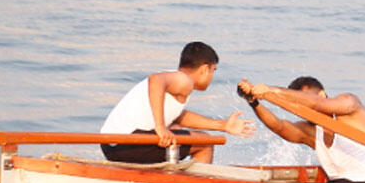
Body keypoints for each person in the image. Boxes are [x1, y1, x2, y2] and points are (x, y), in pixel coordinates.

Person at [100, 41, 254, 164]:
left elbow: (179, 116)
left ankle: (167, 178)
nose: (212, 76)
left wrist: (223, 126)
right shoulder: (183, 80)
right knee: (205, 144)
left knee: (176, 127)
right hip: (129, 143)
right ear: (205, 68)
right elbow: (155, 80)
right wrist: (161, 127)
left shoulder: (176, 81)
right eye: (214, 70)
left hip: (110, 146)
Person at [237, 76, 365, 183]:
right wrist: (253, 101)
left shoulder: (350, 105)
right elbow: (280, 127)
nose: (301, 111)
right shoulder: (310, 131)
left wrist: (272, 90)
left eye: (302, 101)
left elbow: (317, 104)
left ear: (323, 94)